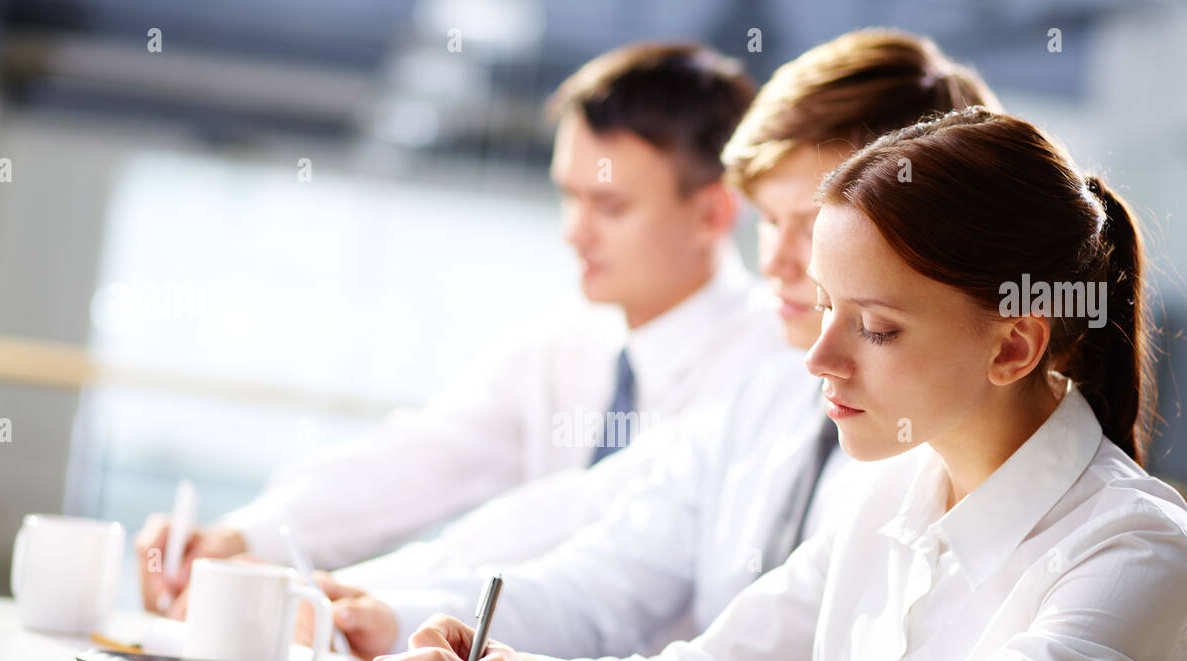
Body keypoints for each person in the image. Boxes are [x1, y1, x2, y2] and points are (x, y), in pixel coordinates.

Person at [367, 107, 1187, 661]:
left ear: (1014, 347)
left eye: (875, 327)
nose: (819, 356)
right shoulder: (897, 493)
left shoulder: (1130, 547)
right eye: (823, 306)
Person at [320, 30, 1003, 661]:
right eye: (769, 221)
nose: (783, 260)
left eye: (818, 226)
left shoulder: (944, 454)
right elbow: (603, 576)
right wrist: (385, 614)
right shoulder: (769, 394)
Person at [134, 41, 779, 617]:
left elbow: (579, 523)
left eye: (609, 205)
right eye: (568, 196)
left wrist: (359, 597)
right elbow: (420, 458)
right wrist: (245, 538)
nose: (574, 232)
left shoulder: (769, 363)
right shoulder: (566, 344)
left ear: (713, 212)